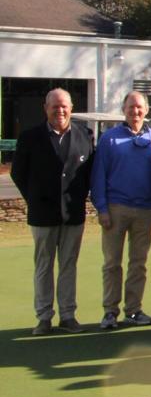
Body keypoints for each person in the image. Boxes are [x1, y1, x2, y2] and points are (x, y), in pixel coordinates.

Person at [12, 88, 93, 334]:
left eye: (64, 106)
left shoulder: (84, 135)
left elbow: (88, 174)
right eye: (54, 106)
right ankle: (44, 317)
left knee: (69, 265)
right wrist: (35, 199)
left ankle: (68, 315)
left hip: (73, 214)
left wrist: (78, 198)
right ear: (45, 108)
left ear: (71, 108)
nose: (60, 110)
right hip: (42, 215)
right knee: (44, 266)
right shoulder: (29, 137)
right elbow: (18, 174)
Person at [91, 91, 151, 329]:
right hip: (115, 208)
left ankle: (133, 311)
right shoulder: (109, 138)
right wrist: (101, 208)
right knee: (112, 263)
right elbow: (98, 175)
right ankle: (110, 312)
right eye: (131, 107)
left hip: (145, 210)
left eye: (140, 107)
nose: (135, 111)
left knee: (138, 263)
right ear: (124, 110)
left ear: (146, 111)